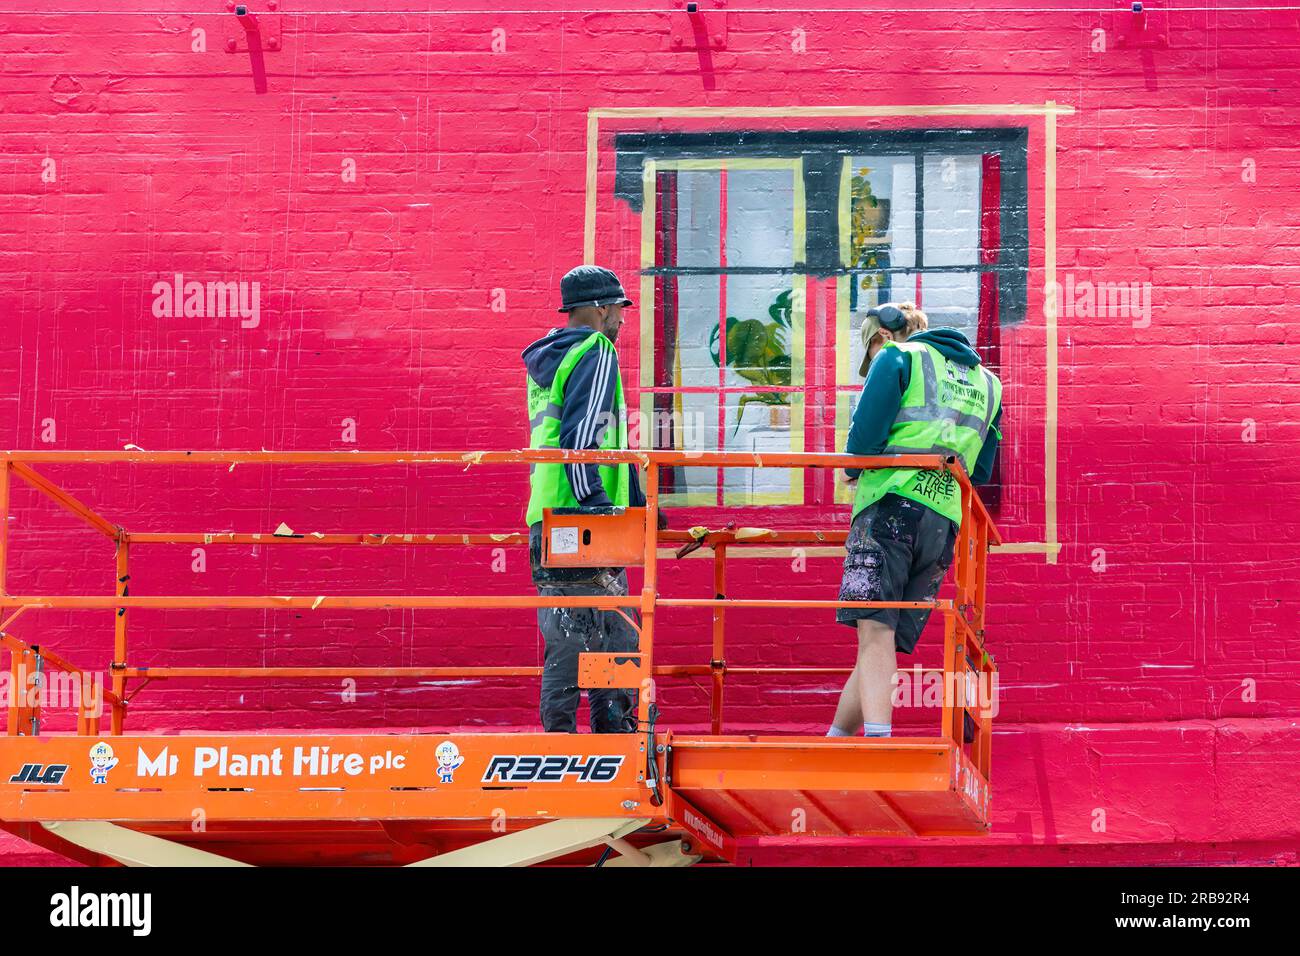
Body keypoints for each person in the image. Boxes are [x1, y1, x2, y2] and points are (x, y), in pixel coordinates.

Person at [828, 302, 1003, 738]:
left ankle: (877, 745)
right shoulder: (990, 385)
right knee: (879, 637)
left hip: (888, 508)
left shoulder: (897, 358)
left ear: (882, 337)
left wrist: (854, 470)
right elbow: (979, 472)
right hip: (942, 524)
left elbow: (864, 438)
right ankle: (836, 741)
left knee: (873, 630)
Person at [522, 265, 645, 733]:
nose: (621, 320)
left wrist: (633, 500)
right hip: (582, 515)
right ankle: (612, 745)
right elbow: (584, 437)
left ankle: (560, 744)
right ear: (599, 308)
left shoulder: (548, 358)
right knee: (613, 635)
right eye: (618, 309)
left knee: (567, 634)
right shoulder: (595, 349)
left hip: (547, 512)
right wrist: (599, 507)